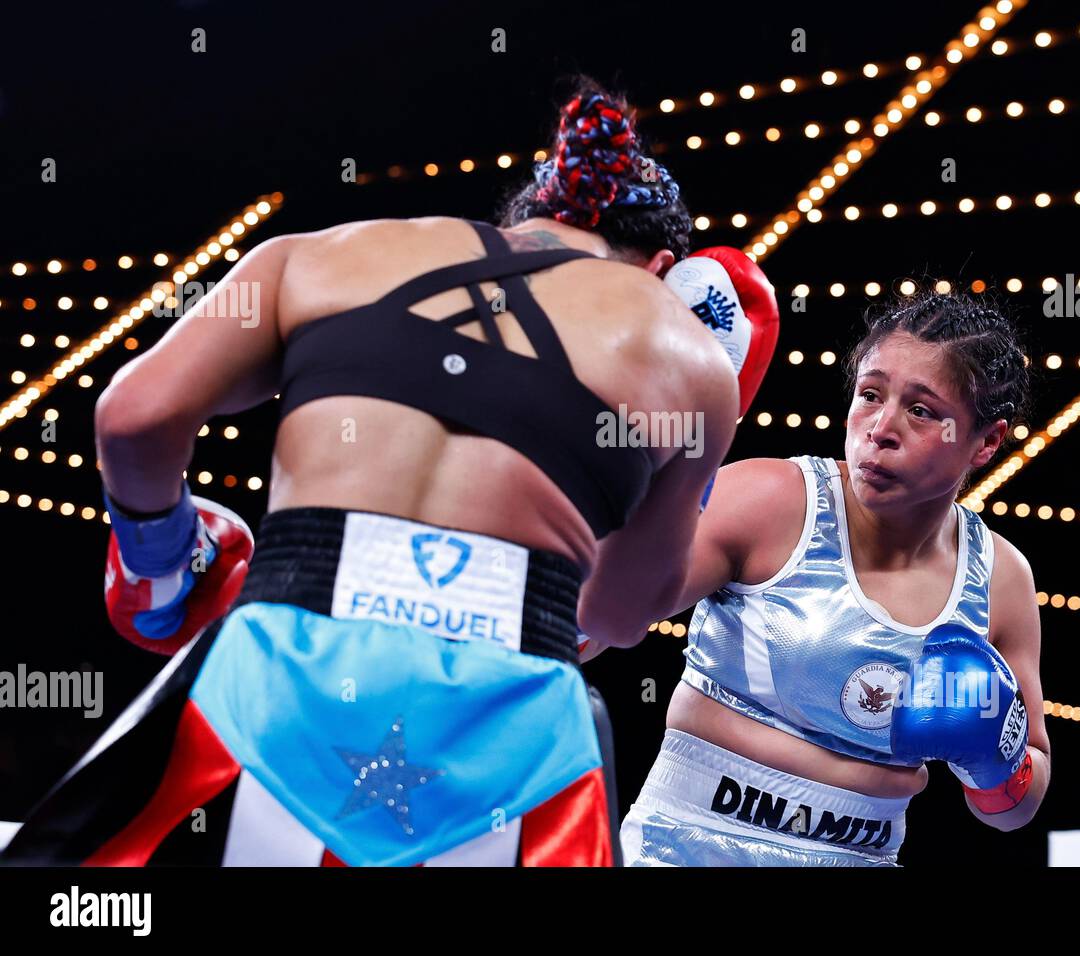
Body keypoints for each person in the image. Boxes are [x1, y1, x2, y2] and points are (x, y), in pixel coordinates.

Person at [1, 80, 774, 867]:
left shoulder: (320, 252)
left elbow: (131, 419)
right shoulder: (690, 359)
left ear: (520, 220)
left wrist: (162, 558)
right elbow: (613, 618)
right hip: (512, 724)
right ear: (664, 267)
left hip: (275, 678)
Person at [617, 291, 1052, 866]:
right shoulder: (769, 502)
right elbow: (603, 618)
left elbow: (1014, 807)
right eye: (870, 395)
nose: (880, 427)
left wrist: (995, 756)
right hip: (684, 849)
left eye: (920, 410)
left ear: (987, 442)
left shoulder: (1001, 580)